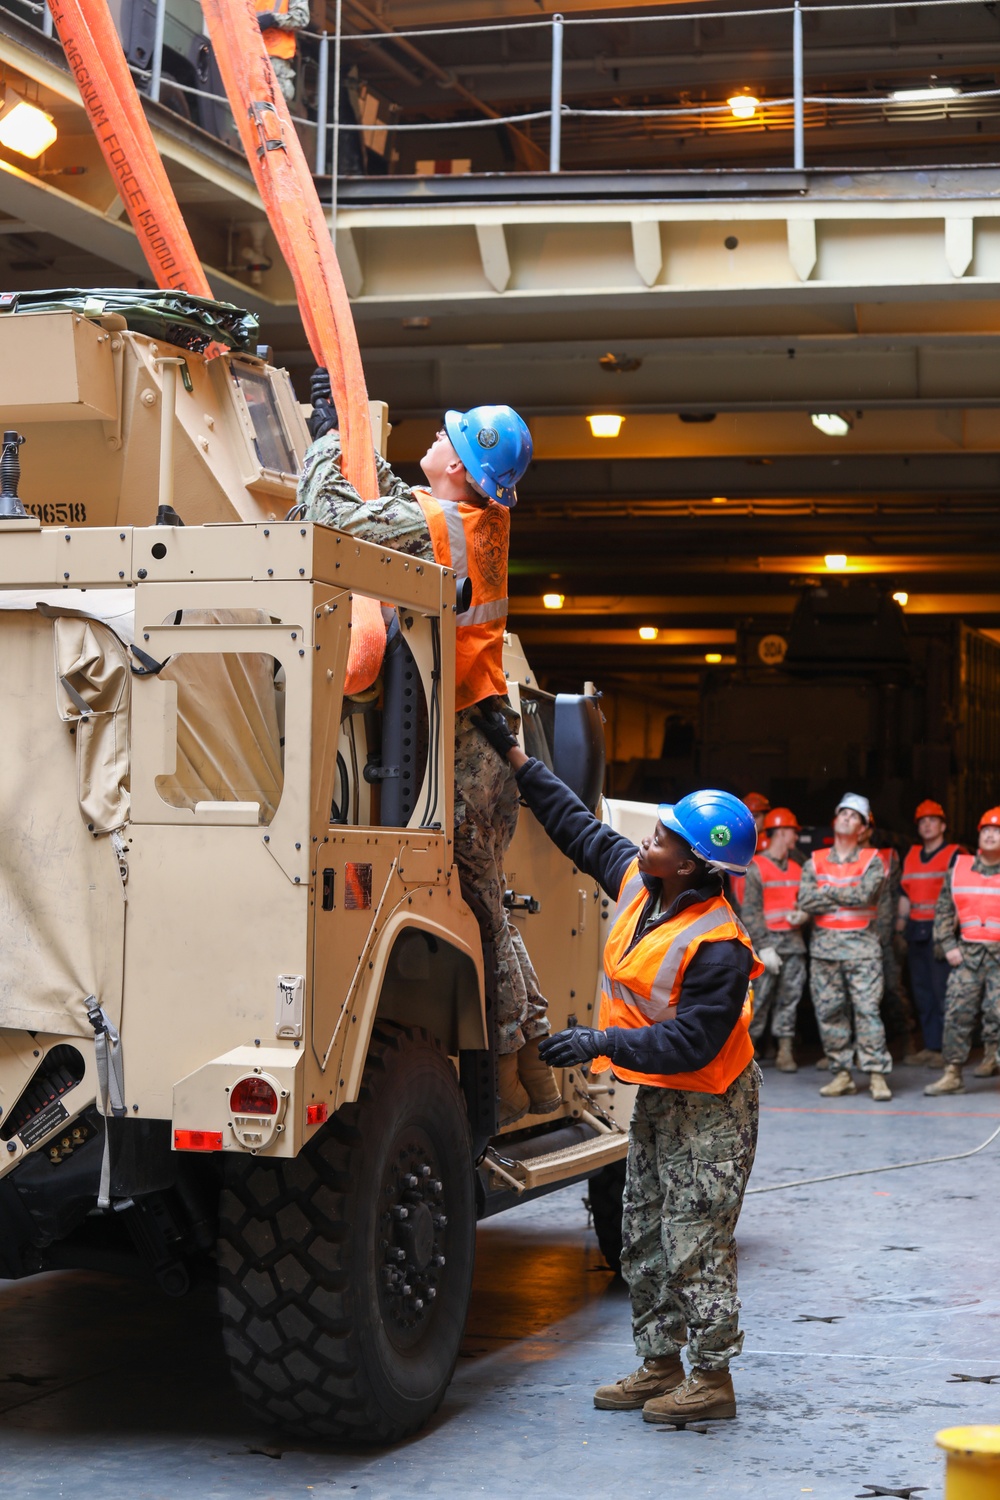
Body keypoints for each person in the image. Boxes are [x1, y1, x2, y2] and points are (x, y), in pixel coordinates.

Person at [475, 704, 762, 1423]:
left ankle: (712, 1380)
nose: (648, 836)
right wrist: (512, 753)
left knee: (695, 1238)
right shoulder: (642, 882)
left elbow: (692, 1042)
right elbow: (572, 824)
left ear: (694, 864)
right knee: (643, 1228)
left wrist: (598, 1043)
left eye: (664, 835)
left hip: (712, 1102)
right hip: (663, 1096)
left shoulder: (720, 945)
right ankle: (659, 1364)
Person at [297, 381, 555, 1126]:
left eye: (451, 438)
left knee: (482, 913)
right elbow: (402, 509)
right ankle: (531, 1059)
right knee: (488, 906)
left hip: (462, 747)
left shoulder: (437, 520)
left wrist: (323, 441)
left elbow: (331, 517)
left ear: (463, 471)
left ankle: (513, 1067)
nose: (436, 438)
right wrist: (358, 447)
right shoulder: (479, 517)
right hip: (484, 728)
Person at [797, 792, 892, 1101]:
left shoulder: (873, 860)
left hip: (862, 950)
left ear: (863, 829)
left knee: (868, 1011)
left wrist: (826, 891)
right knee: (829, 1012)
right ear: (835, 820)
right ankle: (842, 1074)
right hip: (825, 950)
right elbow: (804, 899)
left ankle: (877, 1074)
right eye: (844, 814)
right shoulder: (816, 860)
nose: (847, 818)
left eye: (855, 816)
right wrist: (841, 891)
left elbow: (864, 895)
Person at [924, 807, 1000, 1097]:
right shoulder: (959, 869)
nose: (992, 834)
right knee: (957, 1013)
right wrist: (949, 945)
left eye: (998, 830)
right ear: (979, 835)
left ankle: (993, 1060)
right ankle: (953, 1074)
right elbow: (943, 910)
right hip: (967, 955)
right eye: (987, 830)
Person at [740, 807, 808, 1072]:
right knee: (760, 999)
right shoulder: (756, 867)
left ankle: (785, 1051)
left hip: (793, 943)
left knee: (790, 999)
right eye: (793, 831)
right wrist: (764, 946)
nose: (796, 836)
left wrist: (804, 914)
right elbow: (751, 911)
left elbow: (805, 901)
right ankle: (747, 1051)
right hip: (767, 946)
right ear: (781, 831)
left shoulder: (797, 867)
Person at [897, 800, 962, 1069]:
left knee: (943, 993)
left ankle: (948, 1052)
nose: (927, 824)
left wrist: (949, 934)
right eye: (922, 821)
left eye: (933, 820)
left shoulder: (955, 854)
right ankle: (932, 1046)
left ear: (943, 825)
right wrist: (899, 932)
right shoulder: (911, 855)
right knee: (922, 992)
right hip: (916, 931)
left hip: (941, 933)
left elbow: (961, 895)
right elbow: (904, 895)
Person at [255, 0, 310, 103]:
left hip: (275, 57)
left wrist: (274, 19)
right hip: (248, 54)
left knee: (273, 105)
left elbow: (301, 17)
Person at [729, 793, 770, 913]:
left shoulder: (775, 843)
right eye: (747, 817)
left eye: (756, 816)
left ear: (766, 816)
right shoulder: (733, 842)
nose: (752, 821)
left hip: (766, 905)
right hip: (737, 904)